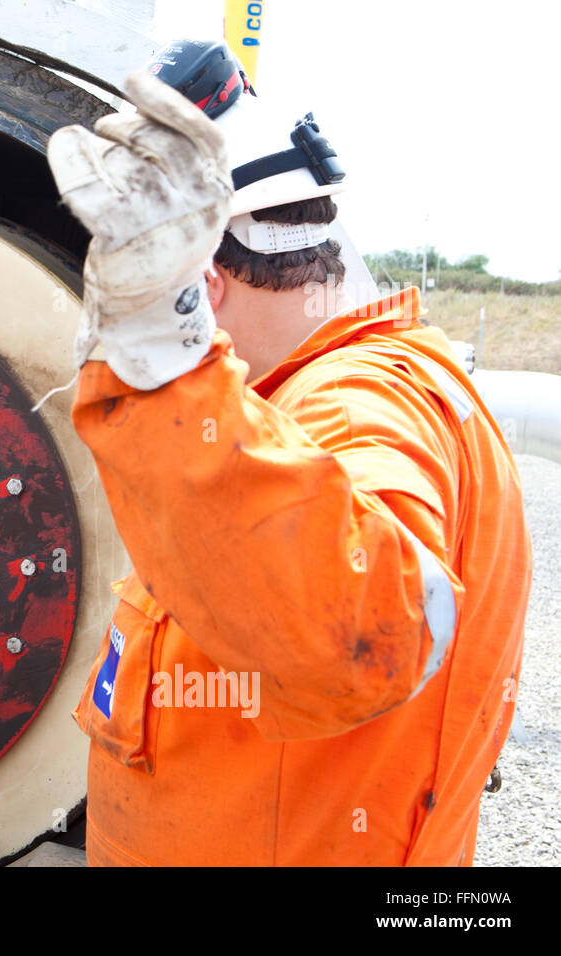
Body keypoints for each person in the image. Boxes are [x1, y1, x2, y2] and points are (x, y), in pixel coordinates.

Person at [45, 39, 531, 865]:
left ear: (205, 285)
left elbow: (370, 629)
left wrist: (160, 352)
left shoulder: (366, 403)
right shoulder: (288, 407)